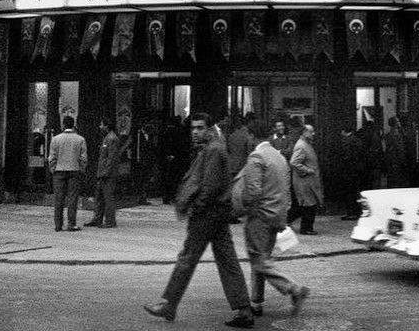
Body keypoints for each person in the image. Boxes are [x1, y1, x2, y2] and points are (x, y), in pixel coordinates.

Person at [143, 112, 253, 328]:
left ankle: (169, 304)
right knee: (227, 261)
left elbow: (209, 187)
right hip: (218, 214)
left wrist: (196, 208)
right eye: (193, 128)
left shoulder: (213, 150)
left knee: (187, 258)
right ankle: (244, 309)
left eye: (200, 128)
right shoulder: (213, 148)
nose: (195, 132)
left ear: (210, 129)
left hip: (207, 215)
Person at [239, 122, 311, 318]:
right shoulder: (279, 157)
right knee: (261, 258)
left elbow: (252, 191)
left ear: (252, 136)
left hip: (259, 216)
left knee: (259, 260)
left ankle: (293, 288)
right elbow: (285, 189)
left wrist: (241, 207)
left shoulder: (256, 157)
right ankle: (256, 302)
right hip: (276, 215)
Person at [49, 115, 88, 232]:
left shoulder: (55, 139)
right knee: (72, 198)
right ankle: (71, 223)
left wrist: (53, 169)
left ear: (63, 125)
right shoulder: (80, 139)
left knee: (58, 198)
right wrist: (81, 169)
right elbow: (83, 158)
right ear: (73, 125)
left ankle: (58, 225)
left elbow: (52, 157)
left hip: (59, 171)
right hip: (74, 171)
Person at [288, 125, 323, 235]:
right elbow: (294, 162)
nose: (313, 133)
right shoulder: (302, 146)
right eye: (311, 131)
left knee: (304, 205)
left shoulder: (306, 144)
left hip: (308, 181)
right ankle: (306, 228)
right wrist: (308, 170)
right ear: (304, 132)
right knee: (309, 205)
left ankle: (287, 222)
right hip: (304, 181)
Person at [86, 117, 121, 228]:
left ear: (106, 126)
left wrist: (106, 172)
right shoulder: (107, 138)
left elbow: (111, 158)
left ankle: (110, 221)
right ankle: (97, 218)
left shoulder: (112, 139)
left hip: (107, 174)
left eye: (101, 124)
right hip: (102, 173)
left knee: (108, 197)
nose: (100, 127)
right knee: (99, 197)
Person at [337, 124, 366, 220]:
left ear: (344, 131)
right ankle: (358, 211)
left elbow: (346, 157)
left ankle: (351, 213)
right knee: (356, 191)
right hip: (357, 170)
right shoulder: (357, 140)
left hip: (349, 170)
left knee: (349, 192)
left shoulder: (346, 141)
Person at [383, 117, 410, 187]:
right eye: (397, 121)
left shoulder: (399, 134)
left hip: (398, 159)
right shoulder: (391, 135)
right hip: (395, 160)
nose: (399, 123)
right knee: (394, 180)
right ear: (394, 123)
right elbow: (397, 147)